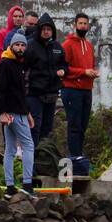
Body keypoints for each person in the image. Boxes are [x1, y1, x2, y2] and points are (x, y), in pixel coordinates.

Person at [0, 32, 35, 196]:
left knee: (10, 149)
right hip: (14, 113)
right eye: (17, 45)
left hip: (18, 112)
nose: (20, 48)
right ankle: (27, 184)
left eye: (23, 45)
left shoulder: (18, 64)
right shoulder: (6, 64)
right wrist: (1, 112)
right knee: (28, 146)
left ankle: (10, 187)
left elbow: (20, 93)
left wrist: (28, 113)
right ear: (11, 45)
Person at [60, 12, 99, 175]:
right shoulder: (67, 44)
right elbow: (64, 68)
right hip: (71, 89)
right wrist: (84, 72)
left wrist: (93, 72)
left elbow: (91, 65)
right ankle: (75, 158)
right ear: (74, 25)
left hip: (86, 90)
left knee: (83, 125)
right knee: (74, 124)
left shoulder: (89, 45)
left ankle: (79, 157)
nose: (83, 26)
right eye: (80, 23)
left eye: (85, 23)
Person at [24, 14, 65, 149]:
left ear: (52, 30)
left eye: (49, 29)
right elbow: (23, 68)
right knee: (34, 127)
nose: (46, 31)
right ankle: (31, 159)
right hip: (34, 93)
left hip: (52, 94)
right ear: (39, 30)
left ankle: (43, 158)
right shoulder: (31, 46)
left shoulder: (57, 47)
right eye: (43, 29)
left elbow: (64, 64)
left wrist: (63, 71)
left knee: (47, 129)